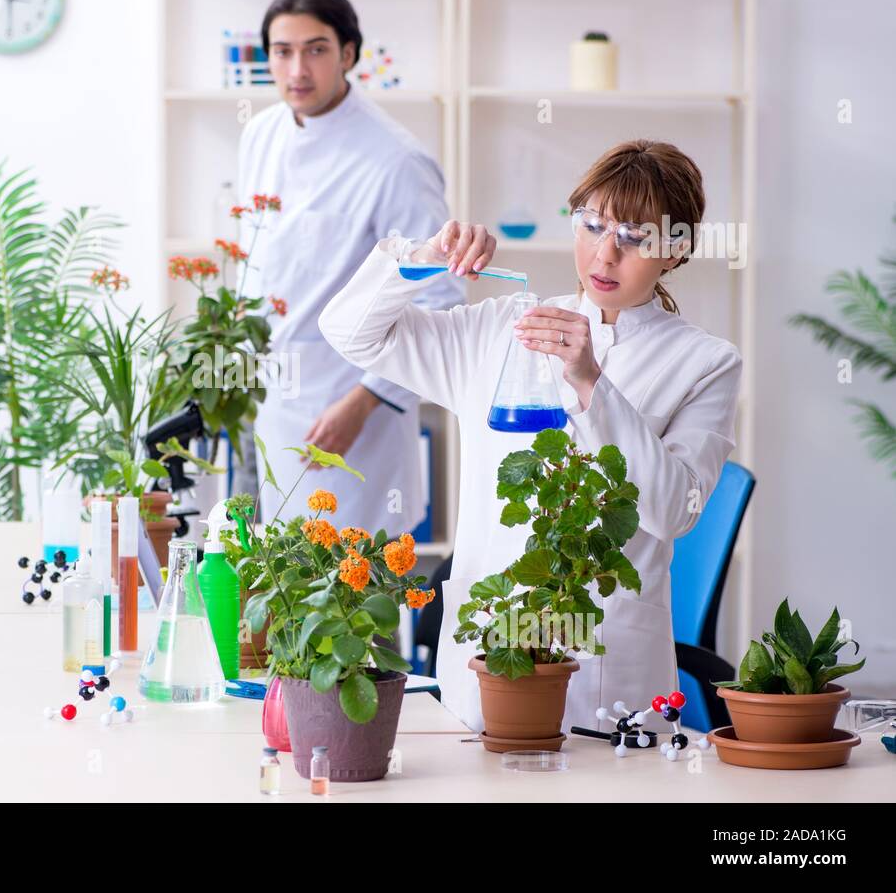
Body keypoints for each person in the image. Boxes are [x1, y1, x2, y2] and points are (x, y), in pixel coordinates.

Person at [318, 139, 742, 733]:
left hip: (605, 672)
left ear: (674, 250)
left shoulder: (705, 362)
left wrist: (591, 382)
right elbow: (349, 331)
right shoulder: (502, 325)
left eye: (635, 237)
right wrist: (424, 257)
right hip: (484, 654)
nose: (606, 253)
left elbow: (674, 509)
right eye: (592, 225)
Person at [237, 0, 465, 535]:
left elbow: (438, 298)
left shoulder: (396, 160)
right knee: (275, 573)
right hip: (271, 404)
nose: (297, 70)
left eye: (315, 50)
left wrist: (364, 401)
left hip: (351, 417)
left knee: (356, 576)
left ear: (348, 54)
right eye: (282, 51)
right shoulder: (259, 135)